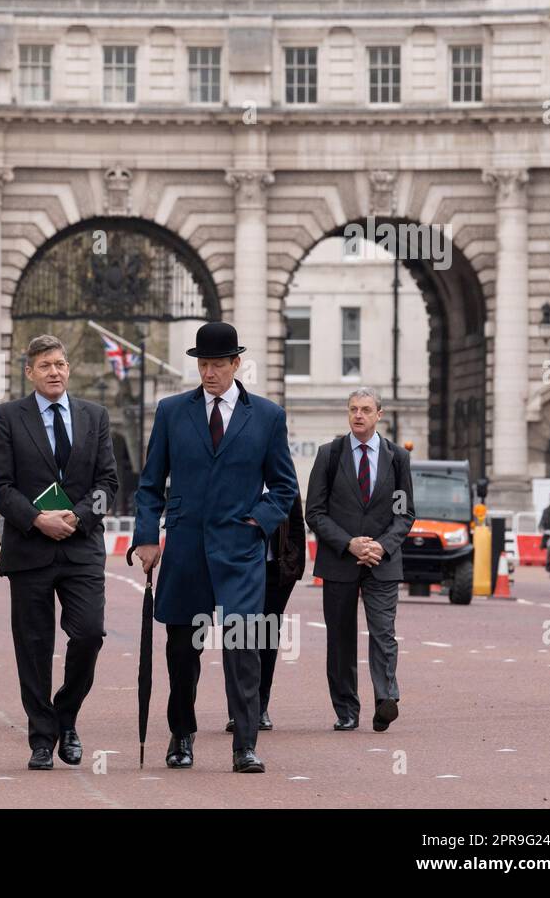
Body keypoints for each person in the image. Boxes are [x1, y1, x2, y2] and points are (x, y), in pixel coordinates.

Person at [133, 321, 298, 774]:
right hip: (185, 549)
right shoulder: (171, 411)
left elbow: (284, 488)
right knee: (182, 652)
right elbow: (149, 485)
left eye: (218, 365)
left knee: (243, 648)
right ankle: (181, 735)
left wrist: (256, 523)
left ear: (236, 365)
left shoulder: (266, 416)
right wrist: (146, 537)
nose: (209, 373)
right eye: (203, 364)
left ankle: (244, 744)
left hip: (241, 550)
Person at [0, 335, 118, 770]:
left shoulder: (94, 416)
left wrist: (78, 518)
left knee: (89, 634)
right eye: (45, 365)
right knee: (34, 646)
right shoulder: (7, 417)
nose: (55, 372)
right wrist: (36, 519)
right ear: (29, 372)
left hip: (81, 548)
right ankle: (42, 738)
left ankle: (66, 714)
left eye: (60, 364)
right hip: (30, 550)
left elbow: (108, 486)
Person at [304, 387, 416, 733]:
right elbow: (315, 512)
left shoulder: (397, 458)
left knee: (383, 632)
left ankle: (386, 698)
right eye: (353, 409)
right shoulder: (330, 455)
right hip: (340, 560)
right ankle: (346, 709)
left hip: (382, 561)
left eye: (366, 409)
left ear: (379, 414)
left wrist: (381, 546)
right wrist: (349, 544)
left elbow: (404, 512)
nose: (358, 415)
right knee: (340, 637)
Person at [226, 491, 305, 733]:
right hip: (238, 569)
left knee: (267, 638)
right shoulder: (236, 472)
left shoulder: (280, 475)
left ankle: (260, 706)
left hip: (274, 570)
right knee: (238, 637)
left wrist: (294, 565)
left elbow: (296, 525)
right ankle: (237, 710)